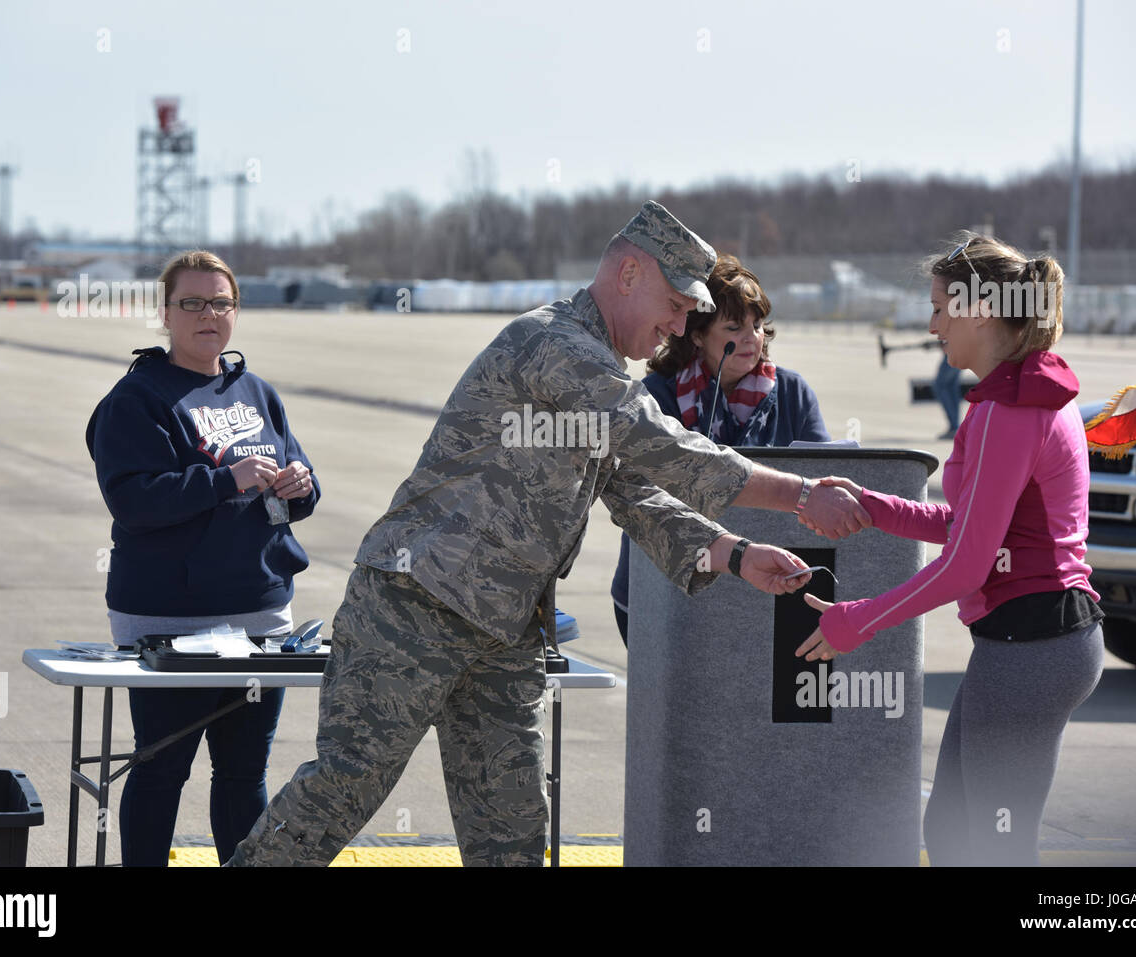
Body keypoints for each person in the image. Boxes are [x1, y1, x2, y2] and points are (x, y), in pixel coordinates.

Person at [226, 200, 871, 867]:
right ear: (627, 274)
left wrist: (739, 555)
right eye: (676, 305)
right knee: (340, 793)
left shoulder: (603, 372)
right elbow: (656, 444)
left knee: (511, 836)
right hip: (415, 607)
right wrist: (799, 494)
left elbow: (638, 495)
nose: (681, 324)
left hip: (504, 630)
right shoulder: (554, 344)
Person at [795, 233, 1104, 866]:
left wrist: (857, 620)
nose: (931, 324)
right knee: (955, 831)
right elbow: (972, 527)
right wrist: (878, 506)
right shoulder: (1020, 394)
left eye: (939, 307)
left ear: (979, 310)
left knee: (992, 846)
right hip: (1033, 644)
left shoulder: (1012, 409)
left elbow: (967, 565)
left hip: (1034, 647)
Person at [85, 249, 320, 866]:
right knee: (161, 772)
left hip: (262, 619)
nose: (208, 314)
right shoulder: (137, 399)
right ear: (165, 314)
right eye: (192, 302)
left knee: (244, 777)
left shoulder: (257, 391)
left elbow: (294, 484)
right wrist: (226, 479)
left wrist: (302, 486)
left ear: (236, 311)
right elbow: (133, 500)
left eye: (221, 302)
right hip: (170, 623)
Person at [610, 253, 830, 644]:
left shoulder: (793, 393)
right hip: (666, 590)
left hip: (770, 590)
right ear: (696, 334)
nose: (752, 338)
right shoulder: (656, 397)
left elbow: (823, 476)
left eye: (758, 325)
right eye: (734, 327)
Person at [933, 352, 962, 438]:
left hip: (953, 352)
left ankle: (954, 426)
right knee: (951, 387)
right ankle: (955, 426)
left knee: (941, 386)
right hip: (959, 352)